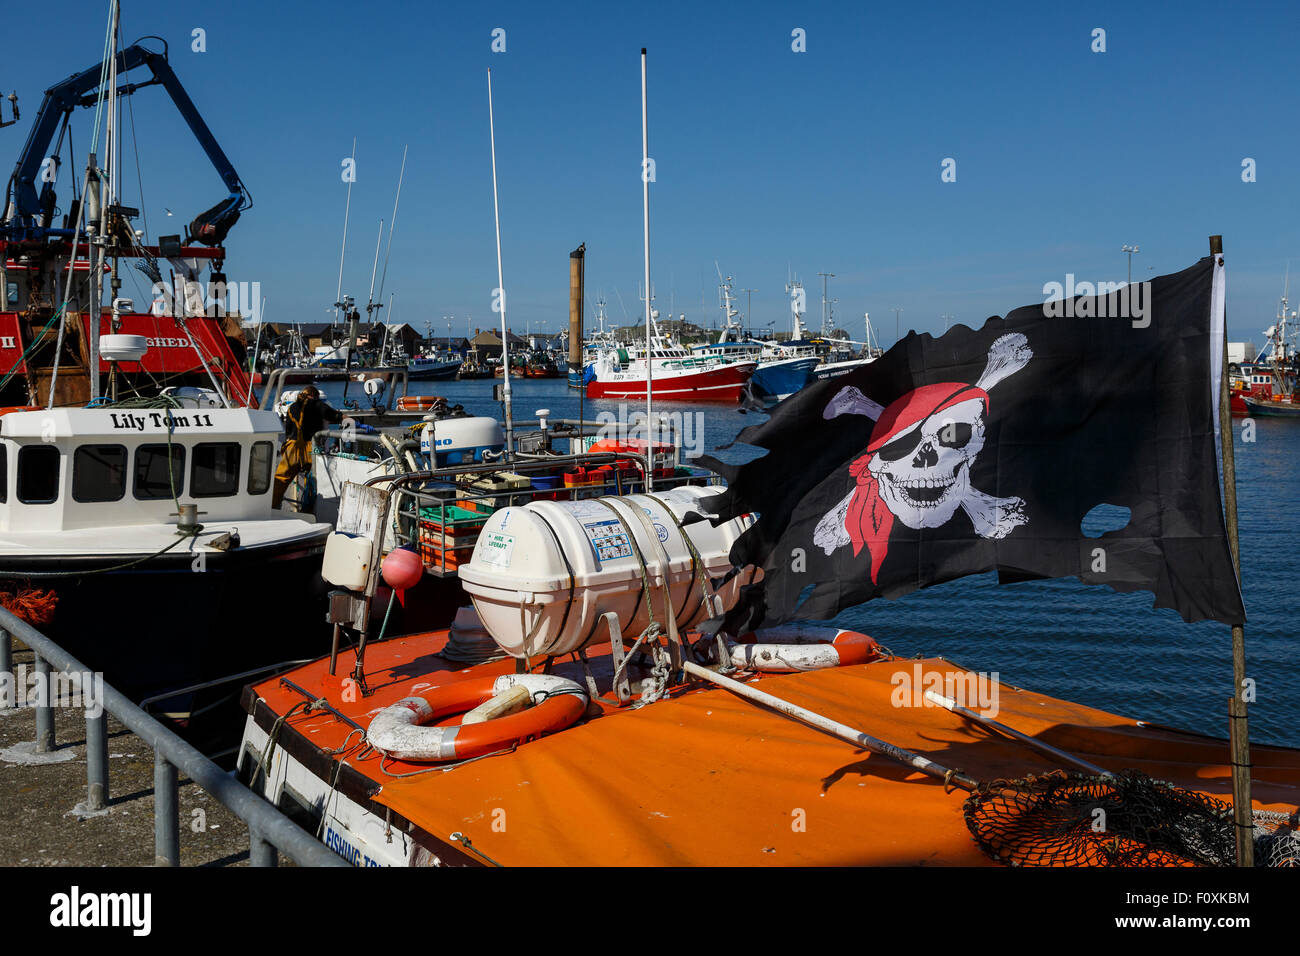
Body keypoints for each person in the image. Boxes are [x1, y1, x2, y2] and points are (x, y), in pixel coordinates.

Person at [272, 384, 344, 508]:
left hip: (292, 449)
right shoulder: (318, 405)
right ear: (314, 396)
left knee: (280, 480)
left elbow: (288, 431)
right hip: (312, 448)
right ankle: (308, 510)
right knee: (312, 479)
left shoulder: (292, 407)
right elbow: (336, 416)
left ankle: (271, 506)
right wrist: (354, 422)